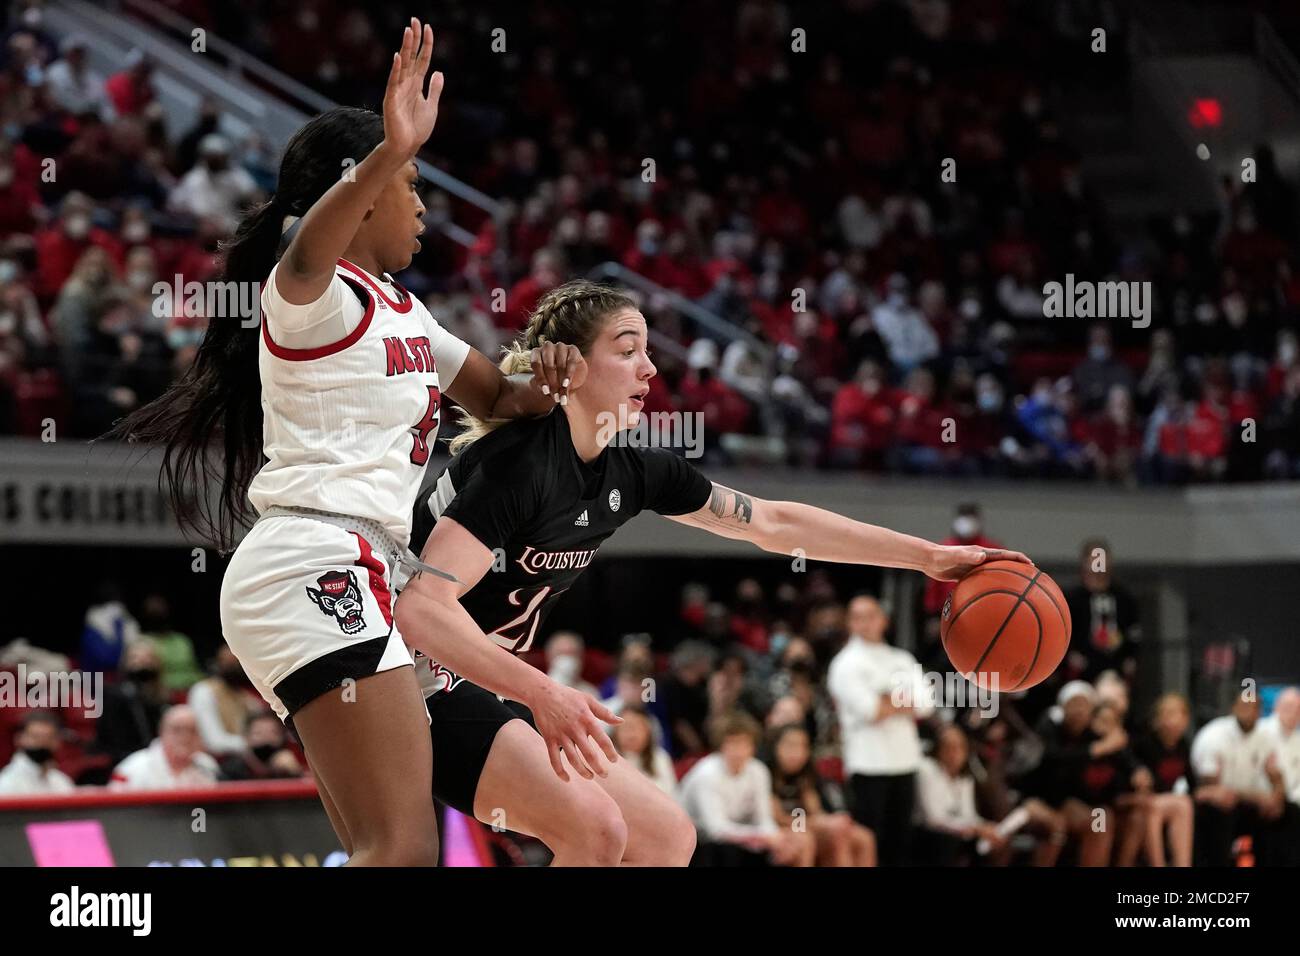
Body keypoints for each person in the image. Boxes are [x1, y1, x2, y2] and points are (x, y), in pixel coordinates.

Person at [115, 19, 610, 866]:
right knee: (403, 850)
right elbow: (307, 249)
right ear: (364, 190)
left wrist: (558, 377)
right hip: (311, 560)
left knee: (498, 838)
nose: (420, 203)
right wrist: (388, 147)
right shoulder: (310, 294)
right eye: (409, 183)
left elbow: (501, 396)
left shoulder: (404, 310)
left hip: (374, 573)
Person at [395, 278, 1029, 866]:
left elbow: (776, 524)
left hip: (489, 681)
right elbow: (421, 609)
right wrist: (546, 692)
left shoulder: (634, 472)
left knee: (667, 837)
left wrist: (928, 558)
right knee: (597, 829)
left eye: (648, 351)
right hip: (411, 679)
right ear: (574, 365)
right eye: (628, 350)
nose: (649, 367)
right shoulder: (523, 463)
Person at [828, 594, 935, 866]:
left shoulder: (902, 658)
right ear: (850, 623)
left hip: (905, 760)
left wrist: (888, 700)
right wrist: (901, 700)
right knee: (869, 841)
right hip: (867, 763)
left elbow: (927, 703)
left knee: (901, 842)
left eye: (870, 616)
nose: (864, 623)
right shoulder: (845, 664)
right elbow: (870, 710)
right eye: (857, 617)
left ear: (883, 620)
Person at [680, 711, 806, 866]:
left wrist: (777, 838)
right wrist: (763, 838)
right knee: (728, 851)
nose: (738, 750)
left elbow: (764, 819)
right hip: (698, 843)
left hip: (740, 835)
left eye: (744, 743)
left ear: (753, 747)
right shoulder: (707, 774)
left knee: (795, 841)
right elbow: (716, 830)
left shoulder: (758, 771)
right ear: (721, 745)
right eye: (732, 743)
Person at [1191, 695, 1287, 866]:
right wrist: (1257, 797)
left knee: (1288, 811)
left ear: (1259, 712)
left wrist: (1278, 797)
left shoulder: (1265, 738)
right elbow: (1212, 787)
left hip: (1247, 801)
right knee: (1223, 808)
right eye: (1244, 706)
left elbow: (1276, 775)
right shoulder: (1214, 735)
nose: (1248, 712)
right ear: (1233, 708)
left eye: (1253, 707)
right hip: (1212, 801)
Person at [768, 722, 875, 866]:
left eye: (803, 746)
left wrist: (832, 821)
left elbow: (815, 810)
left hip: (807, 826)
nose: (797, 752)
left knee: (863, 837)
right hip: (781, 828)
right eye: (791, 745)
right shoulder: (765, 774)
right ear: (775, 747)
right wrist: (820, 823)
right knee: (820, 835)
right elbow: (779, 818)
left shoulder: (808, 775)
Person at [1132, 692, 1196, 866]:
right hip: (1136, 800)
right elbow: (1136, 780)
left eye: (1178, 714)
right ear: (1157, 719)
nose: (1172, 720)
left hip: (1162, 799)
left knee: (1184, 804)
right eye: (1167, 714)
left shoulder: (1183, 745)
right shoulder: (1144, 743)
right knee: (1155, 807)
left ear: (1186, 719)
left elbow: (1193, 784)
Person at [110, 705, 219, 790]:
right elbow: (113, 812)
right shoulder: (131, 768)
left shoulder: (207, 766)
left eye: (192, 731)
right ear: (162, 732)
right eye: (177, 730)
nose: (185, 737)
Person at [187, 645, 264, 756]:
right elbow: (213, 742)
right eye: (230, 664)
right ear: (218, 664)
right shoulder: (203, 691)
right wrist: (254, 743)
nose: (235, 668)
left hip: (247, 757)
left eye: (238, 664)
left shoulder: (246, 696)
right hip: (216, 761)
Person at [0, 712, 75, 795]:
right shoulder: (7, 782)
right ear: (19, 739)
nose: (42, 743)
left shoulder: (61, 781)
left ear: (57, 742)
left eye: (48, 738)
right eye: (35, 737)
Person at [218, 711, 306, 782]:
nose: (266, 738)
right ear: (246, 738)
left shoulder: (288, 770)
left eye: (273, 733)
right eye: (258, 733)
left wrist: (295, 773)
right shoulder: (231, 771)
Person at [610, 705, 676, 797]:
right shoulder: (606, 758)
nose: (631, 734)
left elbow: (671, 794)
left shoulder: (660, 757)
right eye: (626, 728)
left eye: (637, 727)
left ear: (648, 732)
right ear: (615, 732)